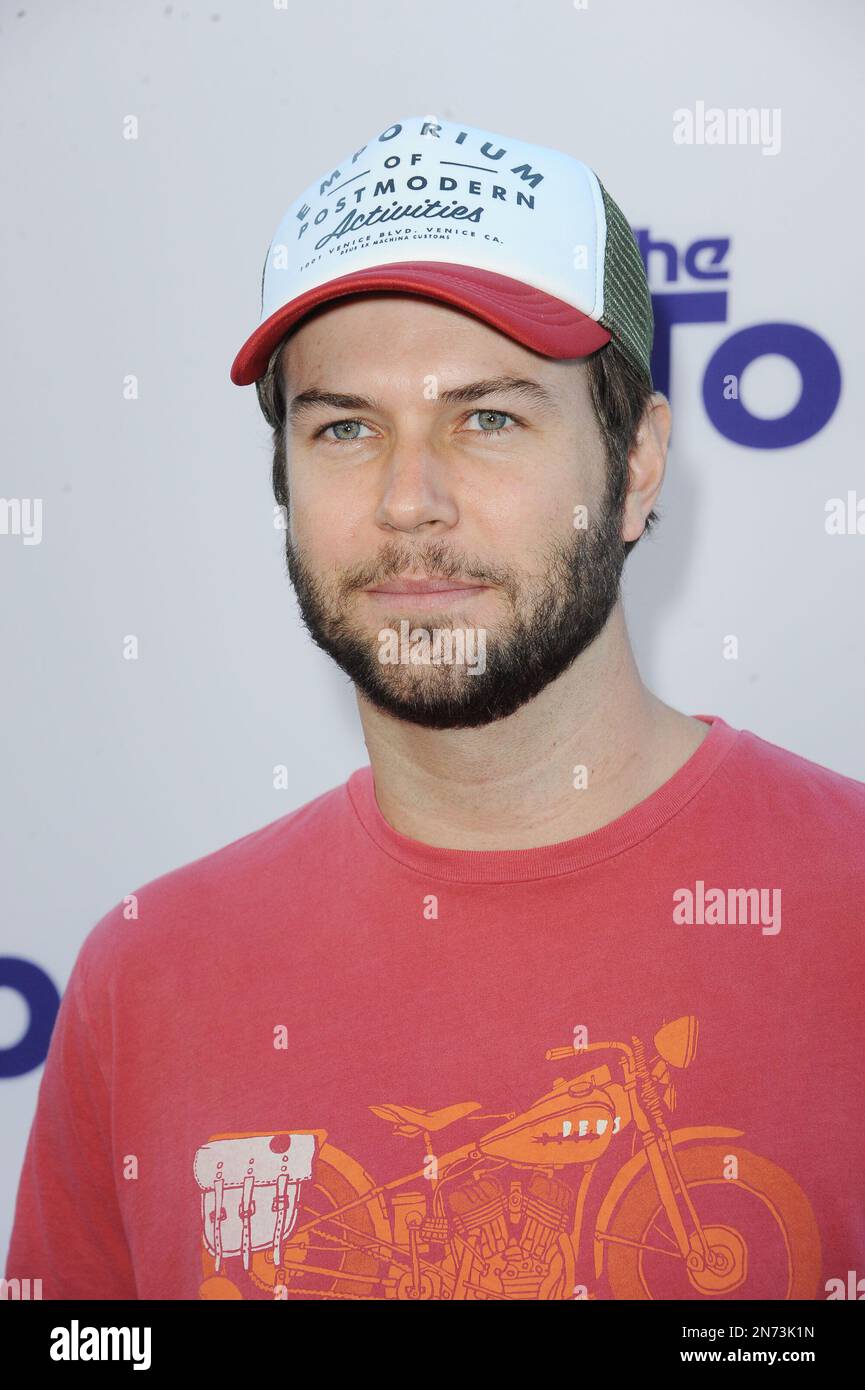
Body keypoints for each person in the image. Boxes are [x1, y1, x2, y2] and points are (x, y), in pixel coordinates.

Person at [6, 115, 864, 1302]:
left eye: (490, 417)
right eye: (347, 427)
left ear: (636, 464)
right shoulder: (140, 981)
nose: (411, 501)